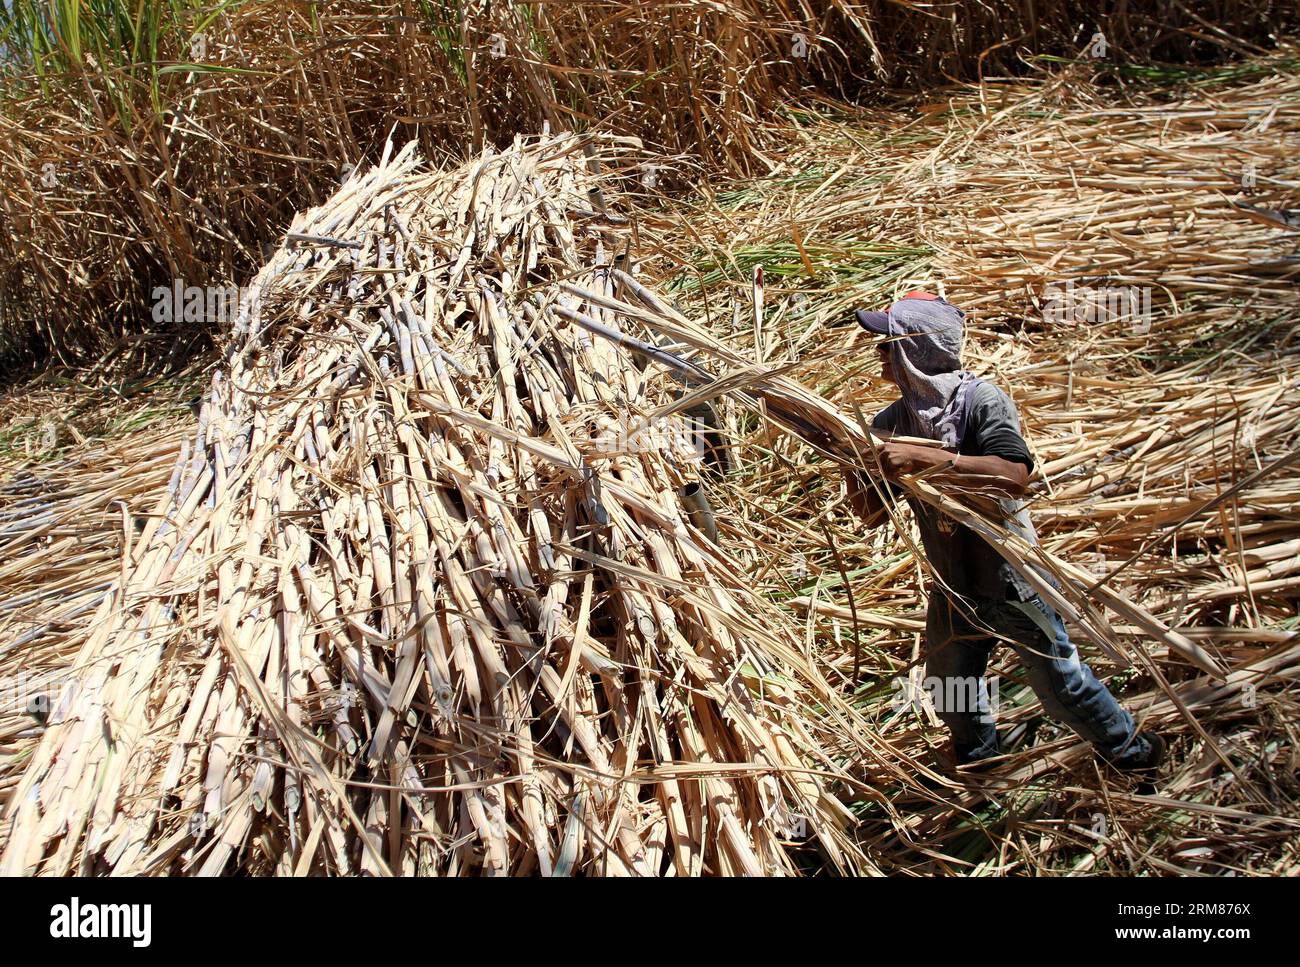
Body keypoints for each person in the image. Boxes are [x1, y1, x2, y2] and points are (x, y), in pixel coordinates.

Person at [844, 292, 1165, 773]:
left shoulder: (980, 401)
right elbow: (871, 514)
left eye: (888, 344)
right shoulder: (890, 423)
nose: (880, 354)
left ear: (919, 348)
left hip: (1010, 580)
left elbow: (1013, 475)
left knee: (1063, 686)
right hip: (954, 588)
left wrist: (933, 459)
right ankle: (982, 764)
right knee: (950, 686)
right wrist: (855, 465)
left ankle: (1133, 754)